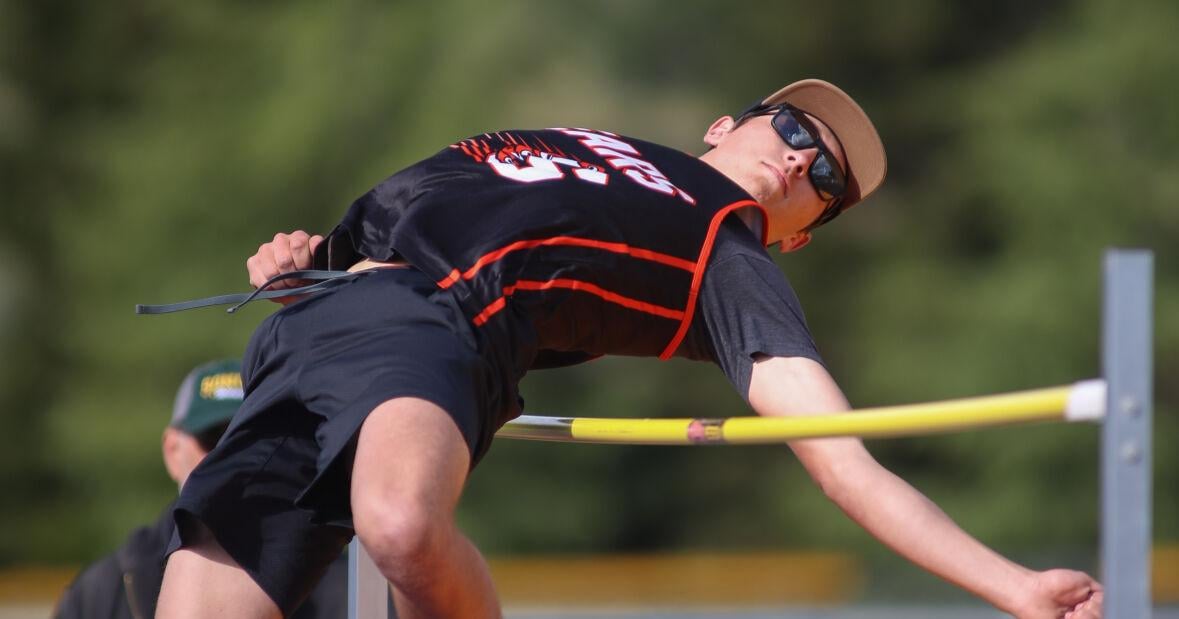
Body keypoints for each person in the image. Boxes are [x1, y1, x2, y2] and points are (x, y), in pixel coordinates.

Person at [155, 79, 1103, 619]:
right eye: (788, 126)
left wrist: (1011, 584)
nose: (797, 156)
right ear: (722, 125)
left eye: (824, 177)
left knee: (399, 528)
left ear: (804, 229)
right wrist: (300, 258)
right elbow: (392, 216)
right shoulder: (572, 136)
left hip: (438, 328)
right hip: (308, 331)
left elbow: (840, 455)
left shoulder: (729, 257)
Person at [54, 360, 349, 619]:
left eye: (248, 441)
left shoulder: (345, 587)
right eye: (213, 439)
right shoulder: (103, 592)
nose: (229, 459)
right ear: (172, 451)